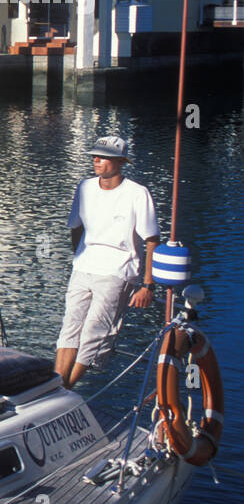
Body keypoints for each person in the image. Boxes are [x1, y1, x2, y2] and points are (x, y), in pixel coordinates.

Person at [55, 136, 159, 389]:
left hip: (117, 272)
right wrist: (78, 258)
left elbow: (152, 239)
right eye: (94, 156)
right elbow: (75, 227)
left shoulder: (137, 193)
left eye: (103, 157)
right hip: (83, 268)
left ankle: (64, 391)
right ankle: (54, 388)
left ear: (121, 162)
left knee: (94, 332)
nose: (96, 160)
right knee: (69, 328)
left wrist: (148, 285)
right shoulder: (85, 187)